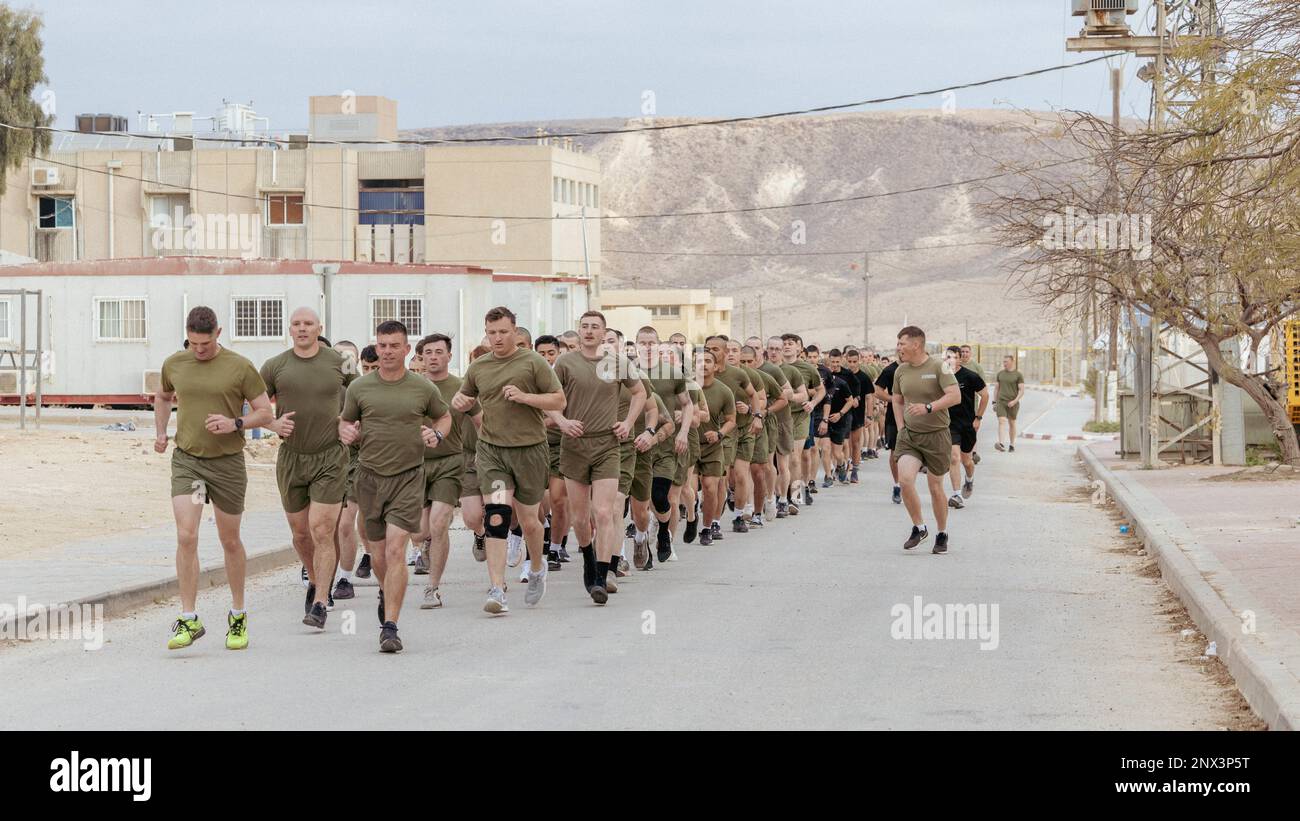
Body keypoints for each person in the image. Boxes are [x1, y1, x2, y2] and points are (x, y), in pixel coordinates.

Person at [155, 306, 274, 651]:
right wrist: (161, 431)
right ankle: (189, 618)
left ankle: (238, 614)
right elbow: (163, 396)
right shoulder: (175, 363)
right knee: (186, 534)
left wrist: (235, 423)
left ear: (218, 334)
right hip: (189, 463)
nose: (199, 350)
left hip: (226, 465)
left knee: (230, 540)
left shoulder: (240, 366)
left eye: (205, 344)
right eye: (193, 344)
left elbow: (266, 412)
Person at [339, 321, 451, 652]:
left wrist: (436, 433)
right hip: (370, 478)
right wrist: (347, 432)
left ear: (406, 349)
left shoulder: (422, 388)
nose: (387, 351)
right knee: (377, 554)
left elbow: (443, 417)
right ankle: (385, 590)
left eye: (394, 346)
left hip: (408, 477)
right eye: (382, 345)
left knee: (394, 548)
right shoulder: (360, 388)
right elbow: (346, 421)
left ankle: (390, 627)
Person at [452, 307, 566, 614]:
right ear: (486, 334)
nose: (498, 338)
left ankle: (538, 568)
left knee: (530, 521)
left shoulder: (533, 362)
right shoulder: (479, 367)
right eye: (492, 333)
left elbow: (559, 400)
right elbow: (464, 397)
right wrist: (458, 400)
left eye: (503, 332)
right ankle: (498, 588)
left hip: (530, 450)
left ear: (514, 332)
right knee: (497, 516)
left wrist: (527, 398)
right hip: (492, 451)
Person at [260, 307, 354, 630]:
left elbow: (366, 393)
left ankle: (319, 603)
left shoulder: (340, 361)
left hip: (330, 457)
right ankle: (315, 580)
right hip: (291, 458)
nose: (302, 329)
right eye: (297, 324)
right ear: (290, 329)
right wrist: (273, 424)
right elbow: (253, 406)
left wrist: (350, 423)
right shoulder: (275, 366)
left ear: (319, 328)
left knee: (321, 529)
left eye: (308, 324)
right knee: (300, 534)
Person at [549, 311, 646, 603]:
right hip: (575, 446)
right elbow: (550, 399)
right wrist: (563, 422)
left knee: (603, 512)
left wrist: (628, 423)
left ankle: (602, 576)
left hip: (607, 445)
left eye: (595, 327)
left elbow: (640, 393)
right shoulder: (565, 363)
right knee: (580, 518)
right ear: (579, 332)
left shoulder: (617, 363)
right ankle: (589, 560)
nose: (589, 331)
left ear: (604, 333)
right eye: (585, 327)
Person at [417, 333, 482, 609]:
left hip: (450, 462)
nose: (433, 357)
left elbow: (481, 422)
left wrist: (483, 453)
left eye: (438, 352)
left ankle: (433, 588)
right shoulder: (413, 387)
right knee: (419, 531)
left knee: (439, 521)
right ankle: (425, 543)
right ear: (421, 358)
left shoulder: (461, 387)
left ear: (448, 356)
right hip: (415, 465)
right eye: (428, 352)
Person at [890, 326, 961, 554]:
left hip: (937, 434)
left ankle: (941, 533)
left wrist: (929, 407)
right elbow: (897, 400)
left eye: (902, 343)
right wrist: (901, 427)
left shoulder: (938, 366)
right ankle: (919, 527)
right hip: (910, 435)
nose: (898, 347)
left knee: (935, 487)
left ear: (916, 345)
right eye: (898, 344)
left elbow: (954, 396)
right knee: (905, 480)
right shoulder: (901, 370)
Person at [693, 349, 736, 546]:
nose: (704, 364)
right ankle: (691, 516)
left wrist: (719, 433)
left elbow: (731, 421)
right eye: (699, 361)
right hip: (689, 445)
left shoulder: (724, 391)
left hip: (712, 446)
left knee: (710, 488)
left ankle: (707, 527)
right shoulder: (686, 387)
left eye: (708, 361)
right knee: (690, 491)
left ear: (716, 366)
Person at [943, 346, 988, 509]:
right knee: (954, 457)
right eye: (948, 357)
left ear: (960, 359)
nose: (951, 360)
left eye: (954, 357)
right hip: (949, 424)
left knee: (967, 460)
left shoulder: (970, 376)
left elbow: (985, 395)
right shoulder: (941, 376)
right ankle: (956, 494)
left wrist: (978, 418)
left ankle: (969, 480)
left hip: (967, 424)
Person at [993, 355, 1026, 452]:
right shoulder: (1000, 374)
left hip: (1013, 403)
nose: (1004, 364)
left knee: (1012, 423)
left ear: (1012, 362)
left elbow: (1021, 390)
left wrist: (1014, 401)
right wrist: (994, 402)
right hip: (1001, 402)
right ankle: (1001, 443)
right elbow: (996, 389)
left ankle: (1012, 444)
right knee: (1001, 421)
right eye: (1003, 362)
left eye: (1006, 362)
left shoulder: (1018, 375)